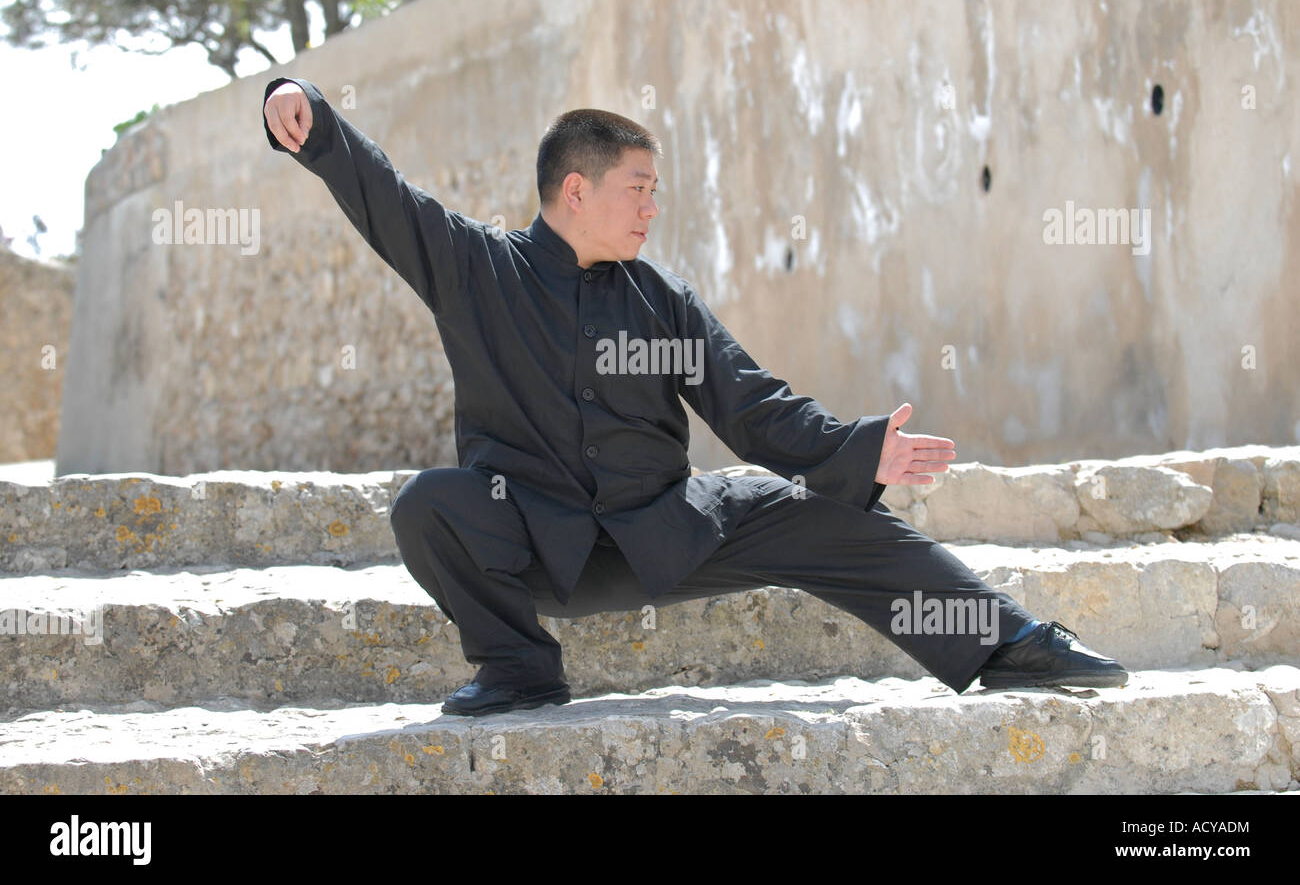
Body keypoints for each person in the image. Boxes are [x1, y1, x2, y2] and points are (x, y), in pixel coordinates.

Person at [262, 78, 1127, 717]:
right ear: (576, 190)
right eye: (636, 189)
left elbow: (747, 402)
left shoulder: (658, 299)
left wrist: (859, 451)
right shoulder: (477, 270)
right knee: (427, 506)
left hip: (668, 531)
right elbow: (387, 198)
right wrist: (304, 111)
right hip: (540, 540)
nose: (650, 208)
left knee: (836, 521)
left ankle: (1008, 642)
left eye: (653, 192)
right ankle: (518, 668)